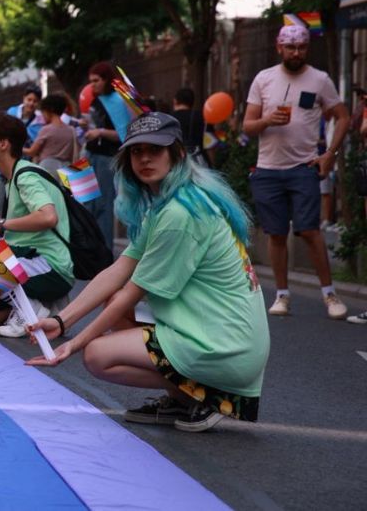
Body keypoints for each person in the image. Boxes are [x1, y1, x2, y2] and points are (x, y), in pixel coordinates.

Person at [27, 112, 269, 433]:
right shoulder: (172, 201)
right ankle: (187, 397)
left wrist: (77, 343)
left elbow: (132, 291)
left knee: (97, 355)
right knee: (115, 303)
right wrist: (61, 321)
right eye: (136, 151)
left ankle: (206, 396)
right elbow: (118, 271)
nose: (144, 158)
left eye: (155, 150)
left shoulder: (180, 213)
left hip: (223, 345)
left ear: (178, 153)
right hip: (222, 335)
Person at [242, 23, 350, 319]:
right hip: (268, 169)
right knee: (276, 234)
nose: (296, 52)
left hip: (304, 167)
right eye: (290, 47)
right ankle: (282, 296)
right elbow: (247, 126)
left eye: (301, 47)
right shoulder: (263, 79)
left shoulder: (320, 79)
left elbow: (343, 116)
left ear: (307, 48)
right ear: (279, 48)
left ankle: (330, 294)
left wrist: (330, 154)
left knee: (310, 231)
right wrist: (267, 121)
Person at [0, 113, 74, 339]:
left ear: (3, 144)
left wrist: (0, 225)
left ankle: (35, 304)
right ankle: (40, 305)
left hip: (49, 265)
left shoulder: (25, 176)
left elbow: (48, 217)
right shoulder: (14, 176)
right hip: (25, 260)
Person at [83, 62, 123, 251]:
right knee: (85, 202)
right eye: (91, 81)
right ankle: (89, 248)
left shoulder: (118, 100)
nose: (93, 85)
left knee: (104, 205)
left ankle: (104, 251)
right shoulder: (95, 100)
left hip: (106, 157)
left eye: (96, 81)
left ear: (107, 80)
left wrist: (100, 132)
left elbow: (123, 134)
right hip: (89, 154)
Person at [28, 94, 75, 173]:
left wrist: (16, 148)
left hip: (47, 167)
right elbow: (74, 154)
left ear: (49, 110)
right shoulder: (71, 130)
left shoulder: (46, 130)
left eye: (43, 112)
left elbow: (32, 151)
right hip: (66, 168)